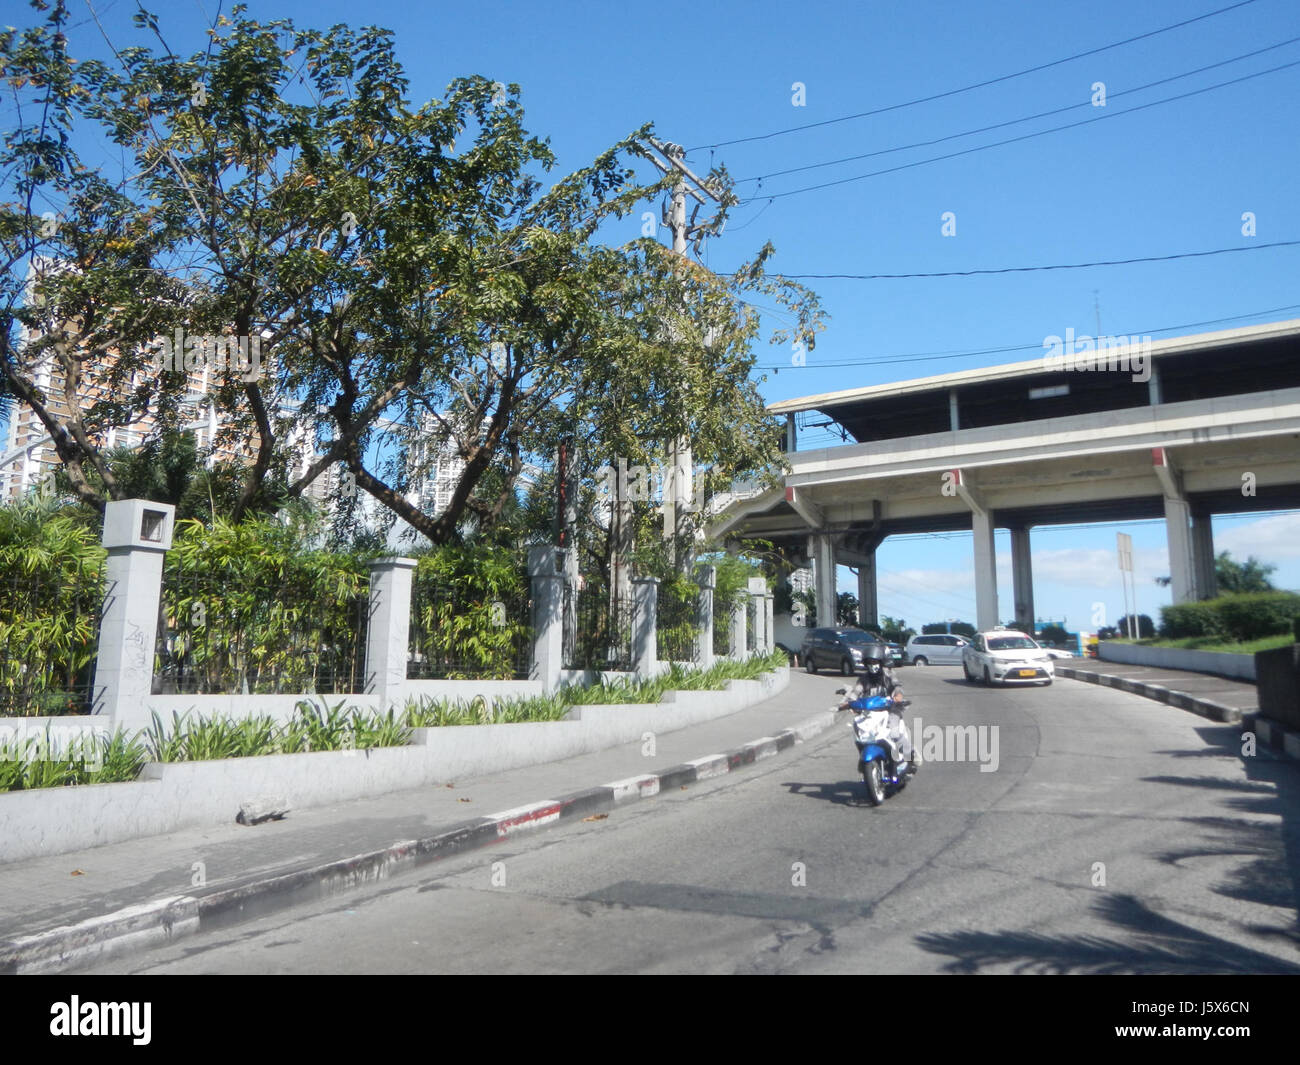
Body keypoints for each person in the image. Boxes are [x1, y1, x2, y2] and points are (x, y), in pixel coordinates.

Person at [838, 644, 919, 773]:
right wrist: (848, 703)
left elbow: (897, 685)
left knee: (894, 732)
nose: (872, 664)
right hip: (870, 713)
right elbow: (856, 691)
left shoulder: (888, 674)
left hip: (890, 709)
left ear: (880, 662)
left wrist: (898, 694)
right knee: (859, 733)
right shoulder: (864, 679)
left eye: (875, 661)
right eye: (869, 662)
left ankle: (910, 756)